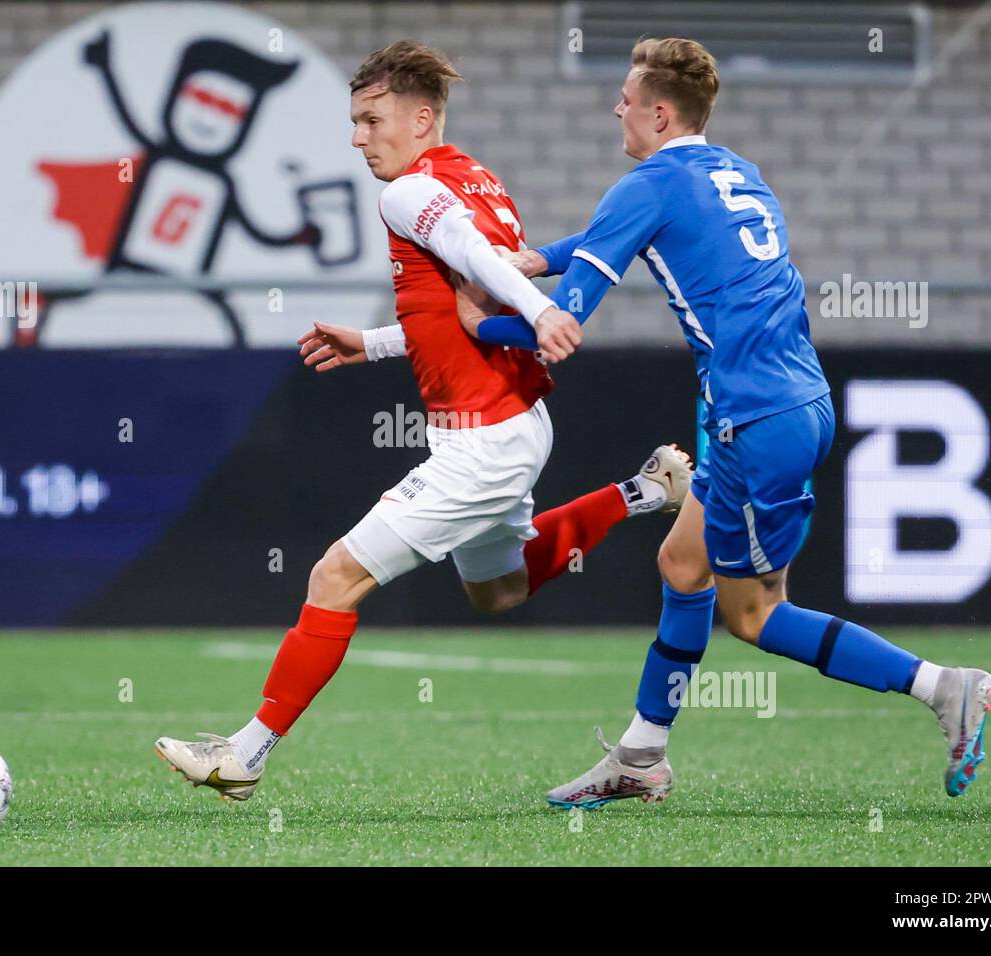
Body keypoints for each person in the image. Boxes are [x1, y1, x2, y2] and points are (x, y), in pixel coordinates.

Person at [466, 37, 991, 807]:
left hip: (755, 419)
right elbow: (627, 240)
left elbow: (567, 317)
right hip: (776, 405)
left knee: (753, 615)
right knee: (683, 568)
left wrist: (470, 326)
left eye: (626, 97)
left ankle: (942, 686)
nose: (616, 107)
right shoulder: (734, 172)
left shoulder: (644, 183)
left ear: (658, 110)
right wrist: (541, 258)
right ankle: (642, 756)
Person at [153, 41, 691, 800]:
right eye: (354, 121)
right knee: (496, 592)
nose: (357, 137)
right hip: (515, 424)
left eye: (371, 119)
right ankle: (644, 492)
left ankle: (245, 754)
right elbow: (461, 313)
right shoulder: (479, 179)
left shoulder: (407, 193)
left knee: (334, 575)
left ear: (421, 118)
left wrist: (543, 313)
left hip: (482, 440)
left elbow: (478, 262)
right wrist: (370, 343)